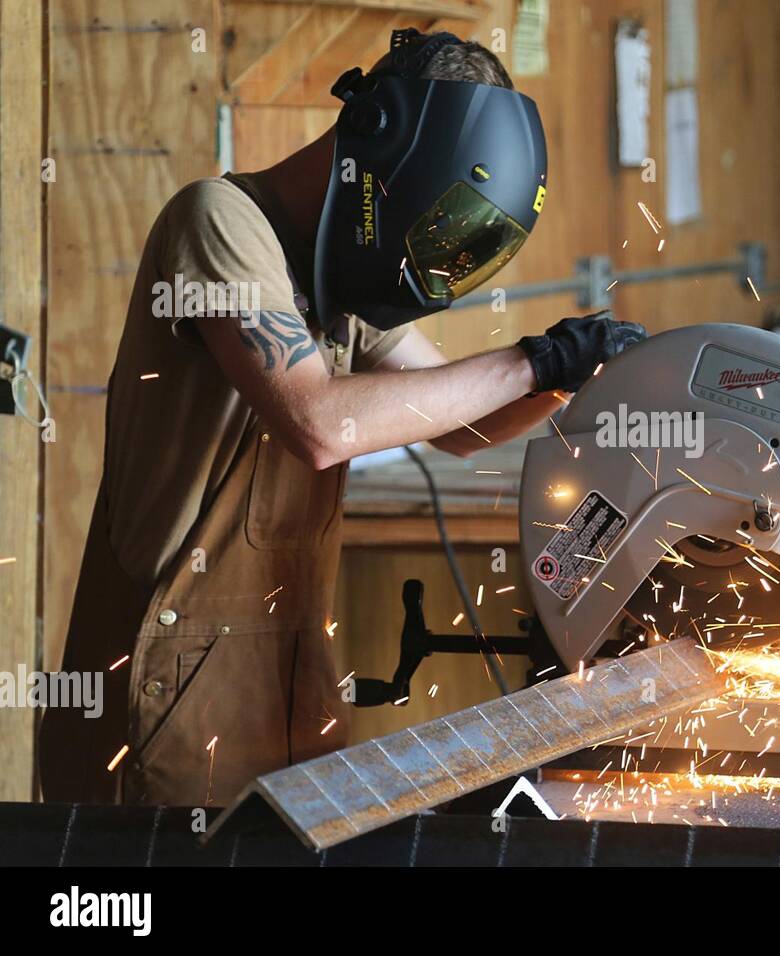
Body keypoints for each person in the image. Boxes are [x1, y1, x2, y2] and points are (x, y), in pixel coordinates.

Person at [39, 29, 645, 806]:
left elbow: (458, 425)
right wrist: (536, 359)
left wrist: (576, 376)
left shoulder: (344, 283)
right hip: (163, 689)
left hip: (281, 686)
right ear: (383, 147)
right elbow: (319, 422)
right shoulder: (220, 223)